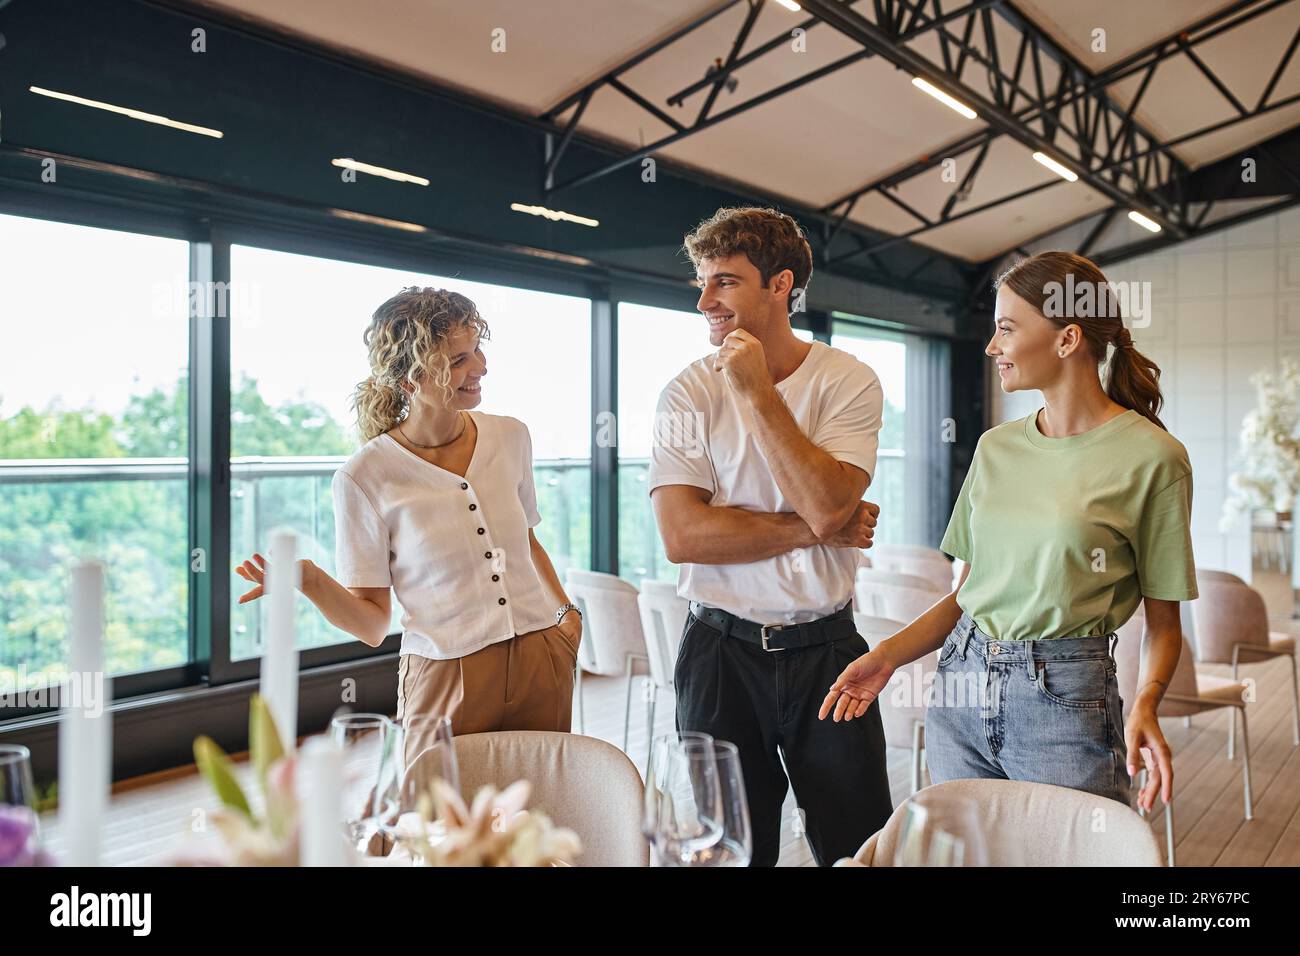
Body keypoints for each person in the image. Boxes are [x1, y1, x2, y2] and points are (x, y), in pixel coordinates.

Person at [821, 251, 1194, 814]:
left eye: (1006, 329)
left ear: (1067, 339)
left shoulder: (1154, 458)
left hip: (1065, 695)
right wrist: (888, 656)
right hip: (960, 683)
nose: (992, 347)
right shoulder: (994, 447)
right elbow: (968, 595)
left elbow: (1165, 622)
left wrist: (1146, 701)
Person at [235, 287, 582, 757]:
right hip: (444, 674)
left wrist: (566, 617)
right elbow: (372, 624)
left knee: (542, 815)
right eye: (458, 360)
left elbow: (526, 537)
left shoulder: (511, 435)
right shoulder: (365, 476)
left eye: (477, 350)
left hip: (542, 656)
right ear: (410, 380)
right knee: (434, 822)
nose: (480, 367)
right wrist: (310, 579)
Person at [650, 206, 893, 866]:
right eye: (701, 283)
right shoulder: (686, 394)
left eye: (724, 281)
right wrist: (816, 532)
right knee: (733, 854)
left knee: (860, 849)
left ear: (780, 285)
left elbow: (829, 501)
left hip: (828, 654)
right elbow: (683, 535)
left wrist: (757, 392)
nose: (705, 300)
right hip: (719, 655)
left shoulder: (848, 380)